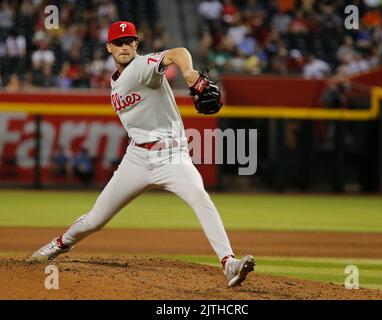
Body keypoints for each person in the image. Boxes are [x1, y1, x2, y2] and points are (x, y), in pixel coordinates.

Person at [30, 20, 255, 288]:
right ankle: (59, 244)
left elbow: (177, 52)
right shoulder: (115, 82)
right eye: (118, 42)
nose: (124, 47)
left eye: (129, 42)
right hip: (136, 158)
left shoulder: (143, 66)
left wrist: (190, 73)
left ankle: (229, 263)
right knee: (96, 219)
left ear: (136, 44)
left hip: (172, 156)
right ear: (109, 47)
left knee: (199, 197)